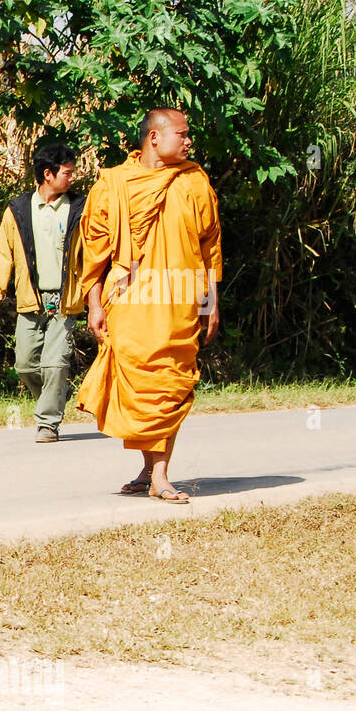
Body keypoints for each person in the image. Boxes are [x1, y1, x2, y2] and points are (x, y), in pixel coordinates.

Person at [75, 108, 222, 503]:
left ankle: (160, 474)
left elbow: (209, 246)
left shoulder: (194, 181)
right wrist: (94, 304)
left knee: (170, 384)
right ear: (154, 138)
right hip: (131, 302)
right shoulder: (114, 184)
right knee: (142, 386)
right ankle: (150, 468)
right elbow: (95, 252)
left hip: (180, 302)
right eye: (182, 134)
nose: (189, 141)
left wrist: (211, 302)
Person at [0, 142, 87, 442]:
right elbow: (3, 253)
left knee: (55, 364)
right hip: (31, 297)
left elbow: (94, 251)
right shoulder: (18, 209)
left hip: (65, 298)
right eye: (67, 173)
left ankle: (48, 423)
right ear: (47, 174)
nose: (72, 178)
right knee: (25, 364)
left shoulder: (80, 208)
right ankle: (57, 394)